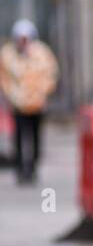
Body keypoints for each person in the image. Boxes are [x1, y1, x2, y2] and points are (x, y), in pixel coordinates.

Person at [0, 19, 59, 183]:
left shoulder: (42, 53)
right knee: (19, 136)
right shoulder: (8, 54)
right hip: (18, 104)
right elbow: (4, 78)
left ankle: (32, 167)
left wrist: (44, 93)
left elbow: (51, 74)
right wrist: (10, 96)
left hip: (37, 103)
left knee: (35, 136)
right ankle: (20, 168)